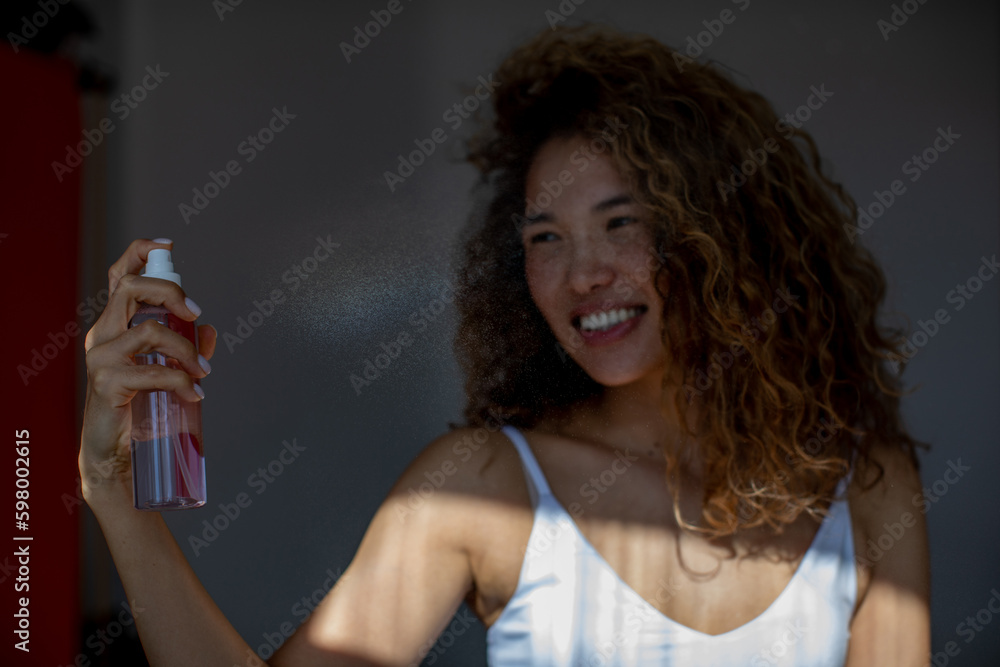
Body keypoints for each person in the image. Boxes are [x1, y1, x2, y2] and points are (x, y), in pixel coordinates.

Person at [79, 23, 930, 667]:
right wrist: (116, 497)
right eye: (545, 237)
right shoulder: (477, 486)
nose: (581, 273)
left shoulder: (870, 489)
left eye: (621, 222)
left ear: (721, 233)